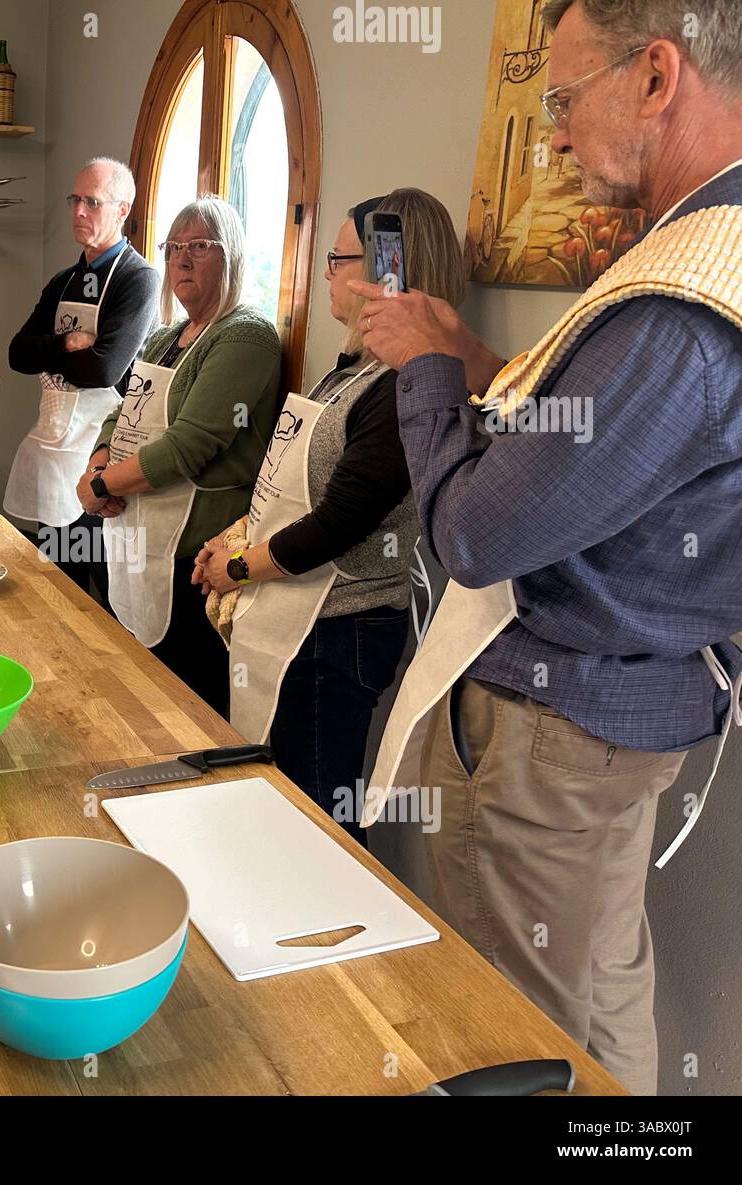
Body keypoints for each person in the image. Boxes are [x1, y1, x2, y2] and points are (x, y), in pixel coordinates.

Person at [354, 0, 742, 1094]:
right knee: (592, 992)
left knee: (524, 1025)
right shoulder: (693, 254)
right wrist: (474, 354)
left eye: (565, 102)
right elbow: (574, 444)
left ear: (656, 77)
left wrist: (426, 366)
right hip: (609, 717)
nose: (558, 137)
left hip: (555, 727)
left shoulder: (686, 306)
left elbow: (477, 533)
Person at [194, 189, 467, 848]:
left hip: (338, 633)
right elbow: (289, 486)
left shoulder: (403, 386)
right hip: (291, 611)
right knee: (281, 802)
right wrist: (235, 536)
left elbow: (338, 523)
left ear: (388, 271)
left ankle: (335, 947)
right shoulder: (347, 372)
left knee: (318, 815)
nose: (325, 273)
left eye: (339, 258)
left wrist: (237, 568)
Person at [81, 196, 280, 716]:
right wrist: (99, 463)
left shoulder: (247, 337)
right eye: (173, 248)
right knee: (131, 698)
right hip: (136, 540)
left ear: (231, 256)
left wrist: (104, 487)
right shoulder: (164, 339)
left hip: (193, 560)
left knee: (185, 712)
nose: (182, 260)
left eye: (200, 247)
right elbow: (123, 412)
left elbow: (191, 445)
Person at [4, 157, 159, 598]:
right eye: (75, 200)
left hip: (105, 458)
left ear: (122, 210)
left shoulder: (139, 279)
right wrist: (69, 343)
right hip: (55, 450)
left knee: (108, 594)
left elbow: (104, 369)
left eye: (92, 202)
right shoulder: (63, 281)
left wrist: (54, 352)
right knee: (58, 590)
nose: (78, 211)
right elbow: (17, 353)